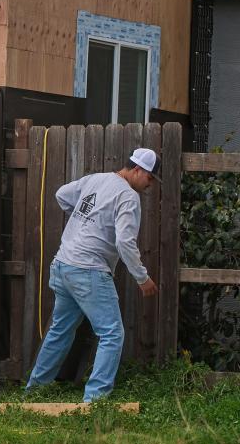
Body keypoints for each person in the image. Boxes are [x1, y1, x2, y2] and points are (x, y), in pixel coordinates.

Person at [25, 147, 160, 402]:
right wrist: (142, 278)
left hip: (63, 264)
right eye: (150, 178)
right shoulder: (128, 196)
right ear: (137, 169)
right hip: (88, 270)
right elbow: (125, 243)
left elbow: (62, 195)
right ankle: (95, 399)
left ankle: (34, 391)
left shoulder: (96, 179)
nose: (150, 184)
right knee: (112, 333)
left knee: (60, 330)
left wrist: (85, 222)